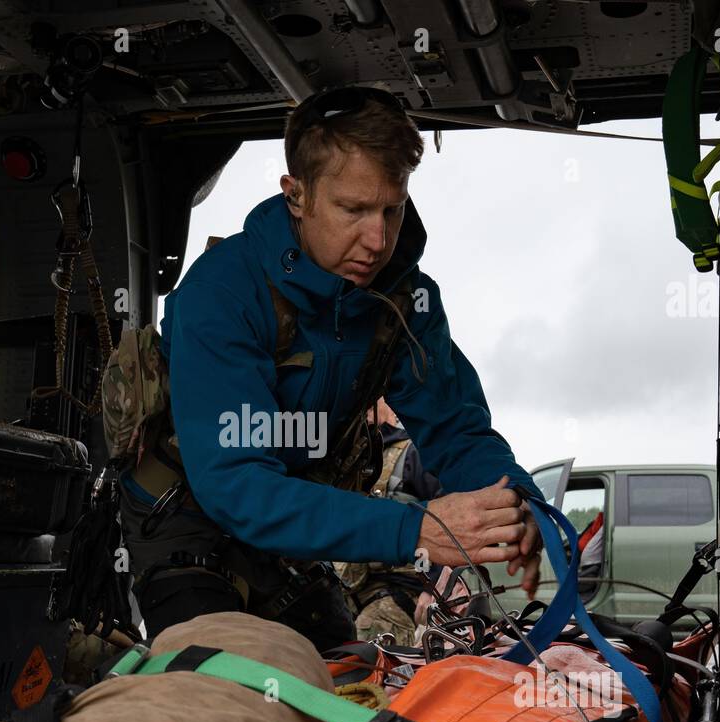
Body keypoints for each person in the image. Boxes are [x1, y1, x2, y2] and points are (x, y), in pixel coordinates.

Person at [118, 86, 542, 650]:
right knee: (228, 690)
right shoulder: (222, 291)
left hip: (292, 531)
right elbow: (237, 484)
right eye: (354, 210)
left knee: (346, 679)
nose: (377, 240)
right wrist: (418, 530)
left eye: (392, 209)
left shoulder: (404, 301)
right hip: (189, 520)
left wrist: (519, 507)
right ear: (297, 196)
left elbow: (457, 432)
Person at [333, 398, 443, 645]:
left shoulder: (413, 453)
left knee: (363, 662)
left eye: (377, 398)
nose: (367, 404)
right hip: (344, 595)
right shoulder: (346, 460)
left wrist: (431, 588)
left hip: (397, 592)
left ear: (393, 408)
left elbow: (448, 520)